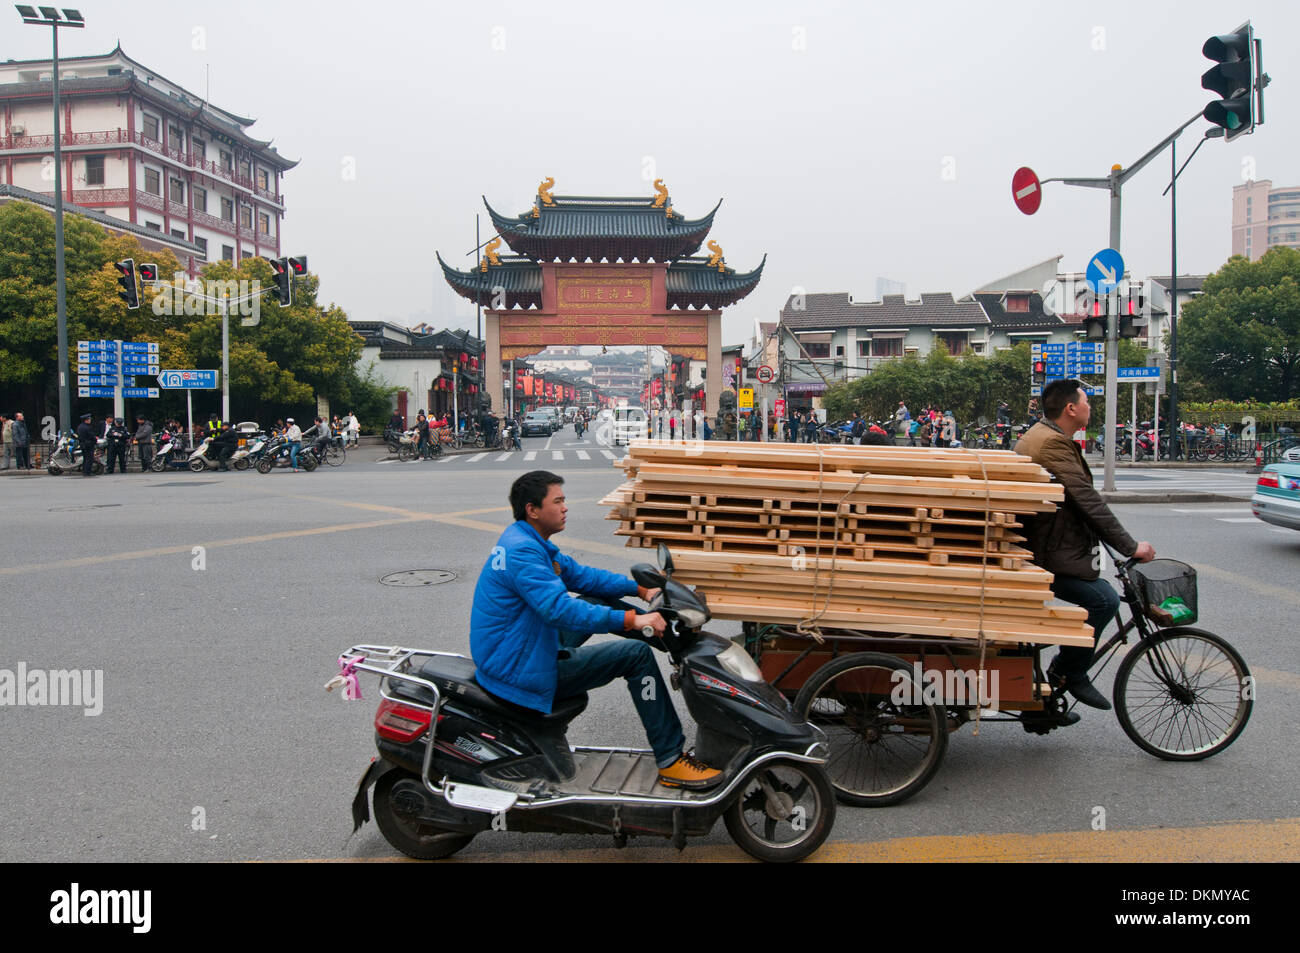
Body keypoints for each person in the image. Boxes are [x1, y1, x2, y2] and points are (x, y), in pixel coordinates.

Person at [471, 471, 722, 789]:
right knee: (635, 655)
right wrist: (634, 620)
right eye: (558, 501)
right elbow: (559, 610)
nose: (565, 507)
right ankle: (671, 760)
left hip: (523, 644)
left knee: (595, 596)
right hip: (521, 669)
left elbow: (582, 577)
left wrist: (640, 590)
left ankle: (668, 639)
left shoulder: (528, 540)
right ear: (533, 510)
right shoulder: (524, 552)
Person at [1015, 379, 1156, 711]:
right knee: (1104, 601)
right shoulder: (1051, 443)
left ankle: (1048, 692)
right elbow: (1088, 501)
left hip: (1049, 543)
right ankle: (1067, 672)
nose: (1090, 408)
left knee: (1101, 596)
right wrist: (1130, 546)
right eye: (1087, 402)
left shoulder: (1046, 436)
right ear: (1070, 408)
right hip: (1043, 552)